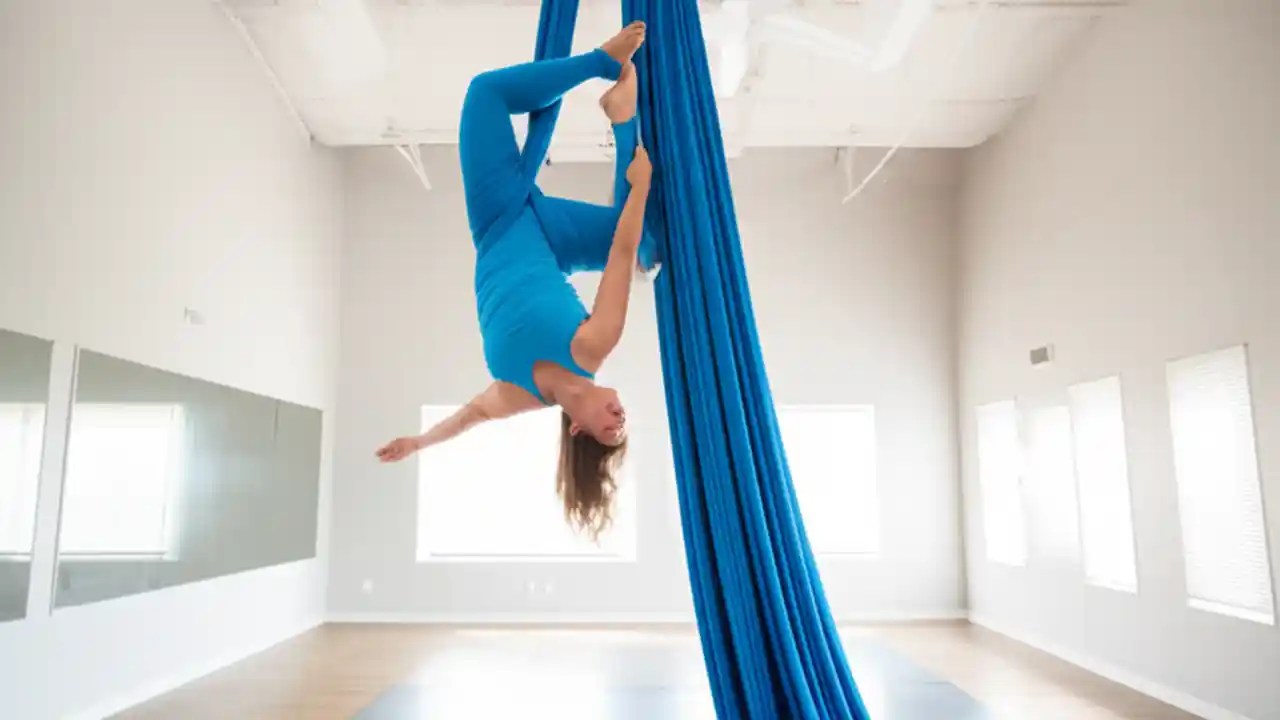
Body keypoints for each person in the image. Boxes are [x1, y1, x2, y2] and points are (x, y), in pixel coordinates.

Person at [376, 23, 655, 540]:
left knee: (485, 92)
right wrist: (640, 186)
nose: (621, 418)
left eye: (610, 429)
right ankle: (623, 118)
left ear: (578, 428)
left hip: (501, 219)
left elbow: (470, 416)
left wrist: (418, 443)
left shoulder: (516, 396)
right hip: (553, 238)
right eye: (625, 424)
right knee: (644, 238)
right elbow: (621, 250)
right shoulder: (596, 344)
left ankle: (602, 64)